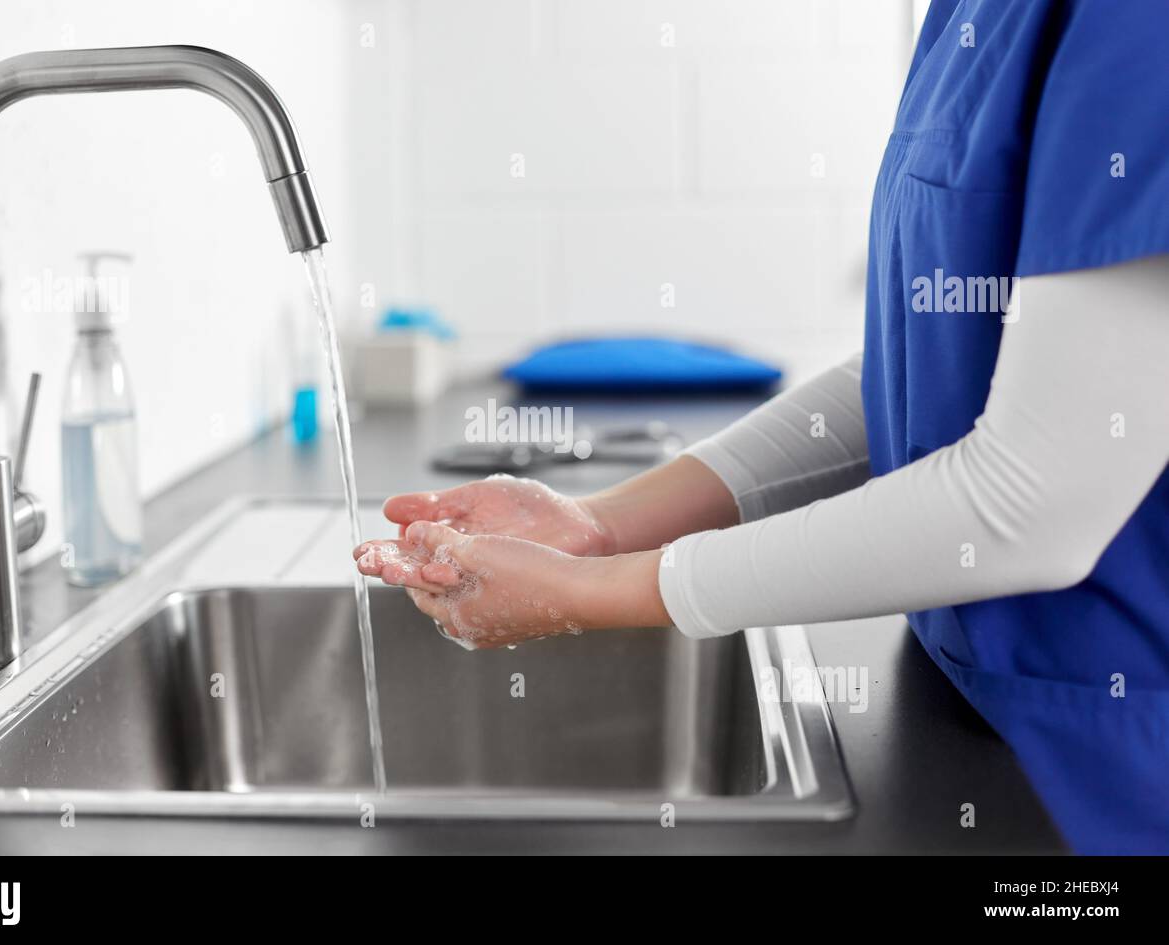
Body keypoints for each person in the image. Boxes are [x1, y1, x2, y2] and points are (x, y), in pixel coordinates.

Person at [354, 0, 1169, 854]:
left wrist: (592, 594)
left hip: (1109, 781)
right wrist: (602, 529)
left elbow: (1033, 500)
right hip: (971, 719)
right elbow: (931, 370)